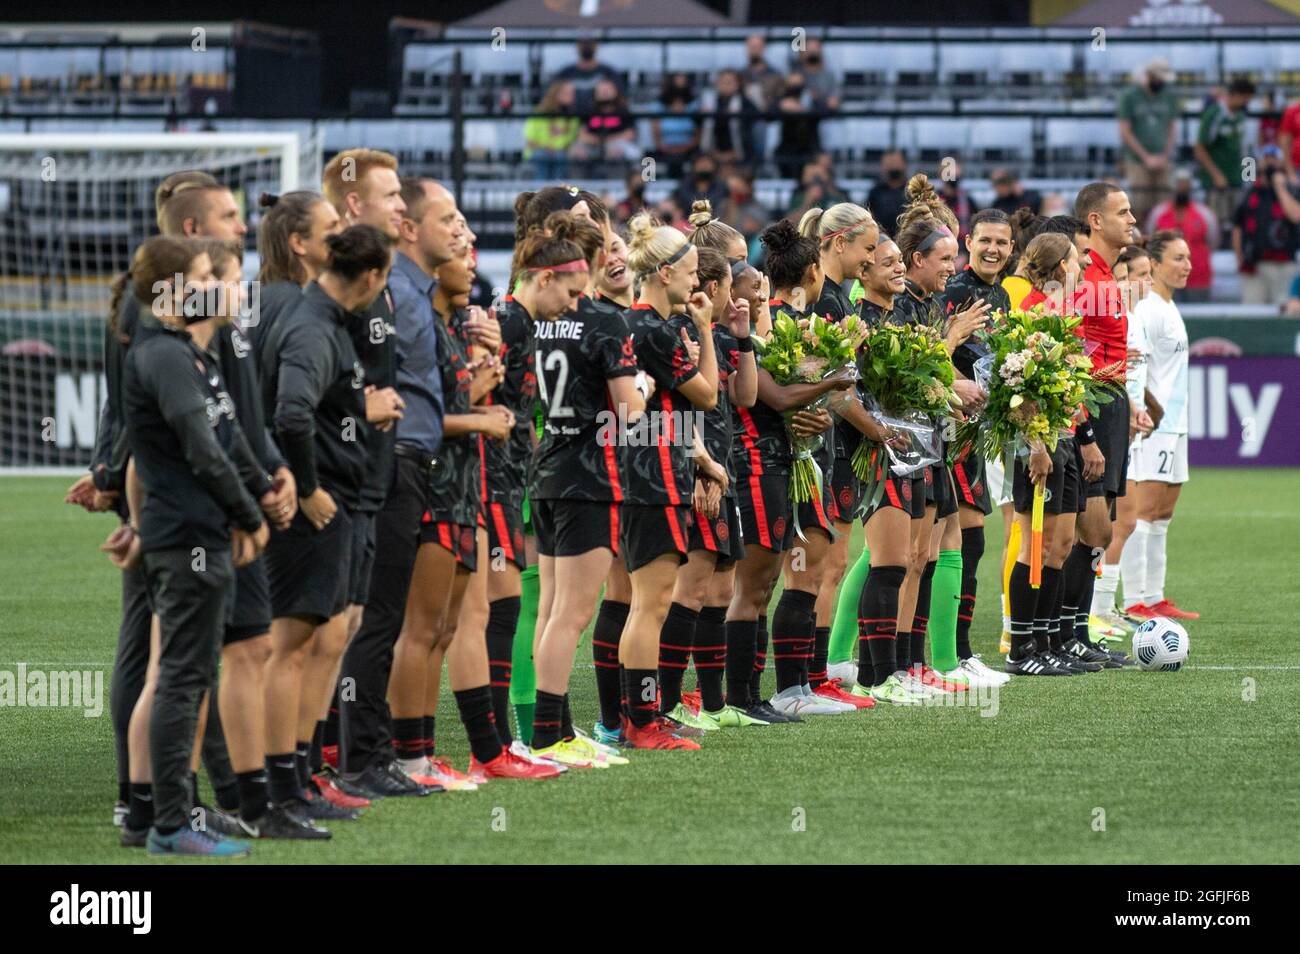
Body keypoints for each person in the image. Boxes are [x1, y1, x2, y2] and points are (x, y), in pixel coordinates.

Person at [121, 236, 270, 854]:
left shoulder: (186, 354)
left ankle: (165, 814)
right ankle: (167, 823)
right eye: (208, 274)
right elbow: (202, 450)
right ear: (176, 288)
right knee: (183, 680)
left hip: (200, 535)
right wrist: (248, 514)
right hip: (185, 539)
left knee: (189, 676)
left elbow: (230, 441)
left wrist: (262, 494)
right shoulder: (163, 357)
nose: (219, 283)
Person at [260, 225, 398, 815]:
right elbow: (291, 413)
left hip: (341, 499)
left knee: (318, 641)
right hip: (317, 508)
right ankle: (278, 787)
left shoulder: (325, 320)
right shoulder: (315, 326)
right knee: (287, 646)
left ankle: (299, 777)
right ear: (371, 277)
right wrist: (310, 489)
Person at [336, 177, 456, 796]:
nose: (460, 228)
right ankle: (360, 758)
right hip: (391, 461)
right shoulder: (387, 290)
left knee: (374, 616)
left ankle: (357, 755)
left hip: (407, 460)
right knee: (375, 618)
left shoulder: (409, 290)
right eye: (447, 216)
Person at [619, 212, 728, 746]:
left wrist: (702, 460)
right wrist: (706, 328)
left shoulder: (631, 323)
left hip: (639, 470)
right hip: (651, 476)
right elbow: (707, 394)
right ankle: (641, 721)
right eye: (688, 272)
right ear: (664, 274)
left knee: (641, 602)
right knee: (650, 604)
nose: (696, 281)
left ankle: (638, 716)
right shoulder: (657, 331)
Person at [797, 202, 886, 706]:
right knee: (825, 565)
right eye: (868, 248)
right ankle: (812, 676)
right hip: (824, 442)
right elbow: (831, 389)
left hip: (832, 442)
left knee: (829, 563)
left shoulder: (838, 298)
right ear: (838, 243)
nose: (871, 259)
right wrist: (876, 431)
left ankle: (816, 673)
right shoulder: (827, 302)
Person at [1002, 233, 1095, 675]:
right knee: (1034, 546)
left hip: (1066, 438)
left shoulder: (1064, 311)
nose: (1080, 268)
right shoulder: (1033, 310)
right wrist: (1036, 446)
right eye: (1075, 260)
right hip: (1039, 444)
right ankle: (1021, 648)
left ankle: (1047, 640)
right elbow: (1017, 383)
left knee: (1058, 544)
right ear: (1060, 267)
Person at [1068, 182, 1144, 667]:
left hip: (1111, 402)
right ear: (1096, 221)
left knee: (1104, 523)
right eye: (1123, 212)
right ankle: (1066, 632)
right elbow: (1069, 352)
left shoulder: (1104, 276)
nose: (1133, 220)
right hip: (1092, 407)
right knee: (1089, 526)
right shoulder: (1084, 278)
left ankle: (1077, 630)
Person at [940, 209, 1016, 687]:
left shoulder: (1002, 294)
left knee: (964, 542)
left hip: (979, 433)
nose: (993, 250)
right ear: (969, 242)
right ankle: (951, 653)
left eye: (1002, 243)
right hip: (949, 430)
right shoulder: (953, 292)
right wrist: (958, 387)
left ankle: (952, 651)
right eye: (985, 240)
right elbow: (933, 351)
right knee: (947, 544)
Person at [1125, 231, 1199, 622]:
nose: (1186, 266)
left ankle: (1154, 595)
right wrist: (1144, 413)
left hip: (1175, 423)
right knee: (1144, 511)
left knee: (1163, 514)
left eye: (1188, 258)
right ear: (1153, 263)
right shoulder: (1148, 309)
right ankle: (1134, 598)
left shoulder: (1168, 306)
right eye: (1177, 258)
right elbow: (1137, 367)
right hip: (1153, 426)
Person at [1232, 145, 1300, 306]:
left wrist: (1279, 186)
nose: (1270, 165)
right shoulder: (1250, 192)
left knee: (1285, 312)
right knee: (1252, 313)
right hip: (1254, 264)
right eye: (1267, 160)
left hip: (1283, 265)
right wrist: (1239, 258)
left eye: (1274, 161)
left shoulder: (1291, 188)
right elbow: (1238, 226)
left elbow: (1295, 216)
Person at [1117, 58, 1180, 227]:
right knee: (1138, 206)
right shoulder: (1130, 96)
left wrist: (1165, 155)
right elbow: (1125, 131)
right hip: (1137, 161)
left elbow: (1172, 128)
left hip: (1163, 160)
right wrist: (1146, 157)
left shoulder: (1169, 96)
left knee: (1165, 205)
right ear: (1150, 75)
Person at [1194, 78, 1255, 229]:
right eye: (1244, 99)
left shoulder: (1240, 116)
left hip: (1236, 179)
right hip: (1217, 182)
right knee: (1216, 223)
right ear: (1235, 95)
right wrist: (1216, 175)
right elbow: (1200, 148)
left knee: (1238, 223)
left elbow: (1245, 148)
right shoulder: (1214, 114)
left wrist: (1249, 176)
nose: (1246, 103)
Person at [1147, 171, 1216, 303]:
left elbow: (1213, 240)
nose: (1182, 188)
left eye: (1185, 184)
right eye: (1179, 183)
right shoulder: (1159, 213)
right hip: (1166, 279)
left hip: (1198, 277)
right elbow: (1150, 241)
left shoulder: (1204, 214)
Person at [572, 80, 639, 169]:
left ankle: (616, 182)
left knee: (617, 152)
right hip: (593, 145)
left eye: (607, 89)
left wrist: (607, 142)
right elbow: (582, 135)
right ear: (595, 94)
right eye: (601, 90)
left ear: (615, 92)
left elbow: (630, 134)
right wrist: (601, 142)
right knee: (577, 151)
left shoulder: (623, 111)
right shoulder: (588, 112)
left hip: (618, 144)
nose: (604, 92)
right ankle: (578, 182)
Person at [699, 69, 760, 166]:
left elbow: (757, 116)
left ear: (737, 84)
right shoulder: (709, 103)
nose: (726, 85)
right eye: (723, 82)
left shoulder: (745, 102)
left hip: (740, 154)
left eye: (730, 82)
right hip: (713, 154)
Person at [524, 80, 579, 180]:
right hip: (538, 150)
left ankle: (557, 191)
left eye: (573, 93)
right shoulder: (539, 113)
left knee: (560, 156)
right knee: (543, 156)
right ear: (556, 94)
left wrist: (557, 148)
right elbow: (530, 139)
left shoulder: (573, 116)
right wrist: (547, 147)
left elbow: (572, 139)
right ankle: (541, 192)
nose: (572, 96)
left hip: (561, 152)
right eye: (567, 93)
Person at [650, 73, 700, 179]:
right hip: (663, 149)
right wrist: (665, 148)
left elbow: (697, 136)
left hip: (688, 150)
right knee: (648, 160)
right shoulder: (659, 106)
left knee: (701, 158)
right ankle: (649, 190)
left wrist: (684, 148)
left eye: (680, 103)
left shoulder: (694, 106)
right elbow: (656, 133)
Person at [775, 72, 822, 179]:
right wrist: (781, 106)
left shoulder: (811, 100)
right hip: (787, 148)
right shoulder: (782, 100)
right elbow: (768, 113)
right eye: (792, 85)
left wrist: (803, 109)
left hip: (809, 147)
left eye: (798, 85)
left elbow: (825, 111)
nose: (795, 89)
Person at [554, 39, 621, 113]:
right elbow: (551, 101)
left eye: (591, 43)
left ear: (597, 45)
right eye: (583, 43)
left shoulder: (609, 73)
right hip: (570, 119)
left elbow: (622, 102)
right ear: (577, 45)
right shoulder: (565, 73)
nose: (587, 46)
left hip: (601, 119)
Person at [672, 154, 728, 220]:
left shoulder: (721, 186)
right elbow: (679, 203)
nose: (704, 166)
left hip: (716, 222)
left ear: (714, 166)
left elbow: (720, 205)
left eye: (707, 163)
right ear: (694, 166)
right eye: (700, 163)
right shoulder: (684, 186)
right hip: (687, 222)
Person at [868, 151, 909, 238]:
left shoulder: (913, 191)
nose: (893, 166)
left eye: (896, 162)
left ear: (904, 165)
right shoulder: (875, 192)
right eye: (889, 164)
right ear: (882, 167)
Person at [740, 34, 784, 113]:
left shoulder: (776, 75)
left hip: (770, 117)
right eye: (751, 47)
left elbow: (780, 98)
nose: (754, 50)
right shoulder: (740, 75)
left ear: (763, 48)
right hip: (747, 118)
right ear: (746, 49)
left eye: (757, 47)